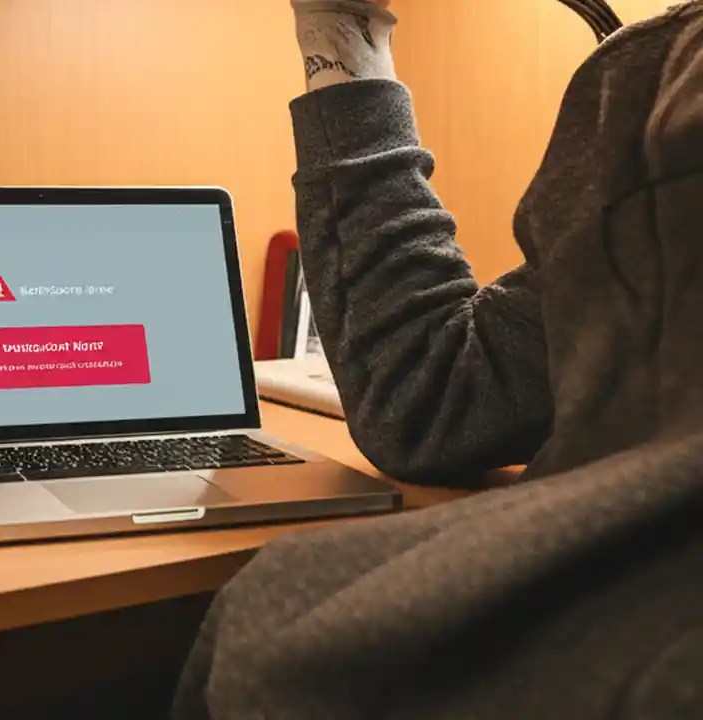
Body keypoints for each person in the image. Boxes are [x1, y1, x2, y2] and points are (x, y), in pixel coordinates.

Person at [172, 1, 703, 717]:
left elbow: (428, 400)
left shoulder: (663, 94)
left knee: (268, 617)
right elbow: (440, 394)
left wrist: (337, 27)